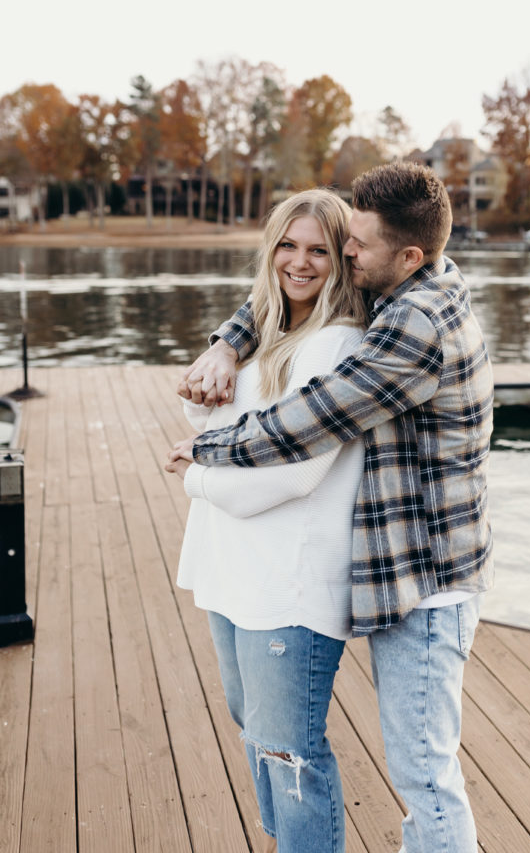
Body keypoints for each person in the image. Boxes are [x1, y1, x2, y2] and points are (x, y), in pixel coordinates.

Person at [172, 162, 494, 853]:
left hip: (428, 579)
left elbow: (308, 423)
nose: (343, 254)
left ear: (405, 255)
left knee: (423, 773)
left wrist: (202, 456)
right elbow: (277, 291)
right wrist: (229, 340)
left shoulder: (411, 324)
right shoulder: (415, 275)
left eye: (350, 244)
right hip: (395, 564)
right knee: (371, 756)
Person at [165, 189, 368, 853]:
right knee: (255, 732)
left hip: (289, 584)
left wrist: (196, 473)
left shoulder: (336, 343)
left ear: (342, 259)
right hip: (234, 574)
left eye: (318, 250)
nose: (300, 263)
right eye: (288, 245)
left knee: (289, 753)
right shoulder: (266, 326)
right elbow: (221, 421)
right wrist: (215, 370)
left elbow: (293, 474)